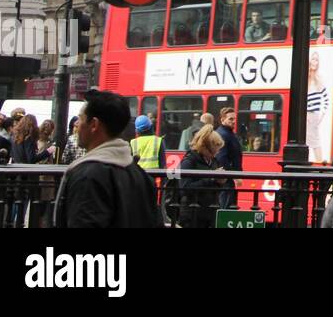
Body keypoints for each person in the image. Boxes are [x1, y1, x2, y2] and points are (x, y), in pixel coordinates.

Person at [53, 89, 163, 228]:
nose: (77, 125)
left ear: (94, 124)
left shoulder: (88, 177)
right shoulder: (141, 175)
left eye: (80, 118)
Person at [175, 125, 226, 229]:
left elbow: (215, 188)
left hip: (209, 212)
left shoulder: (213, 161)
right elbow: (184, 188)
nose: (216, 154)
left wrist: (220, 182)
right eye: (213, 151)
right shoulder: (189, 161)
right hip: (192, 214)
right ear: (204, 147)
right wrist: (212, 178)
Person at [214, 106, 243, 208]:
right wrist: (234, 175)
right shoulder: (223, 134)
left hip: (228, 177)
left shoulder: (228, 133)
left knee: (228, 205)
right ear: (222, 120)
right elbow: (221, 157)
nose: (234, 121)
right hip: (226, 178)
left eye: (235, 118)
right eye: (230, 119)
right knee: (225, 206)